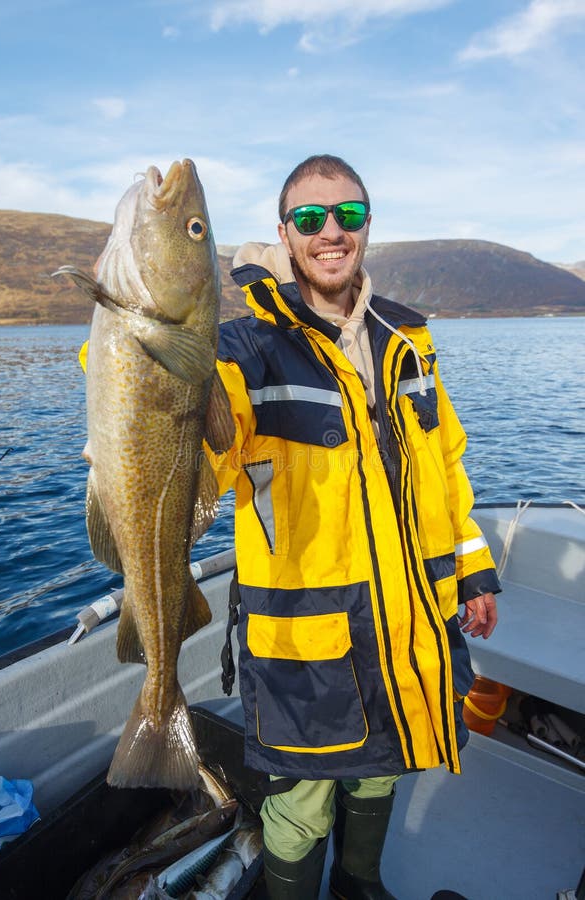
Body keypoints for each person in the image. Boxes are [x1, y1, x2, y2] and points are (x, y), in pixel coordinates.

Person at [207, 155, 500, 900]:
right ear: (284, 233)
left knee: (383, 770)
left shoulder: (409, 339)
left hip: (406, 620)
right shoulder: (243, 350)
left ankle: (360, 885)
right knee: (301, 806)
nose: (330, 232)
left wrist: (472, 570)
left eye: (348, 215)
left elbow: (446, 465)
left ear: (368, 224)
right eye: (310, 219)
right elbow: (194, 433)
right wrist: (143, 344)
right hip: (307, 639)